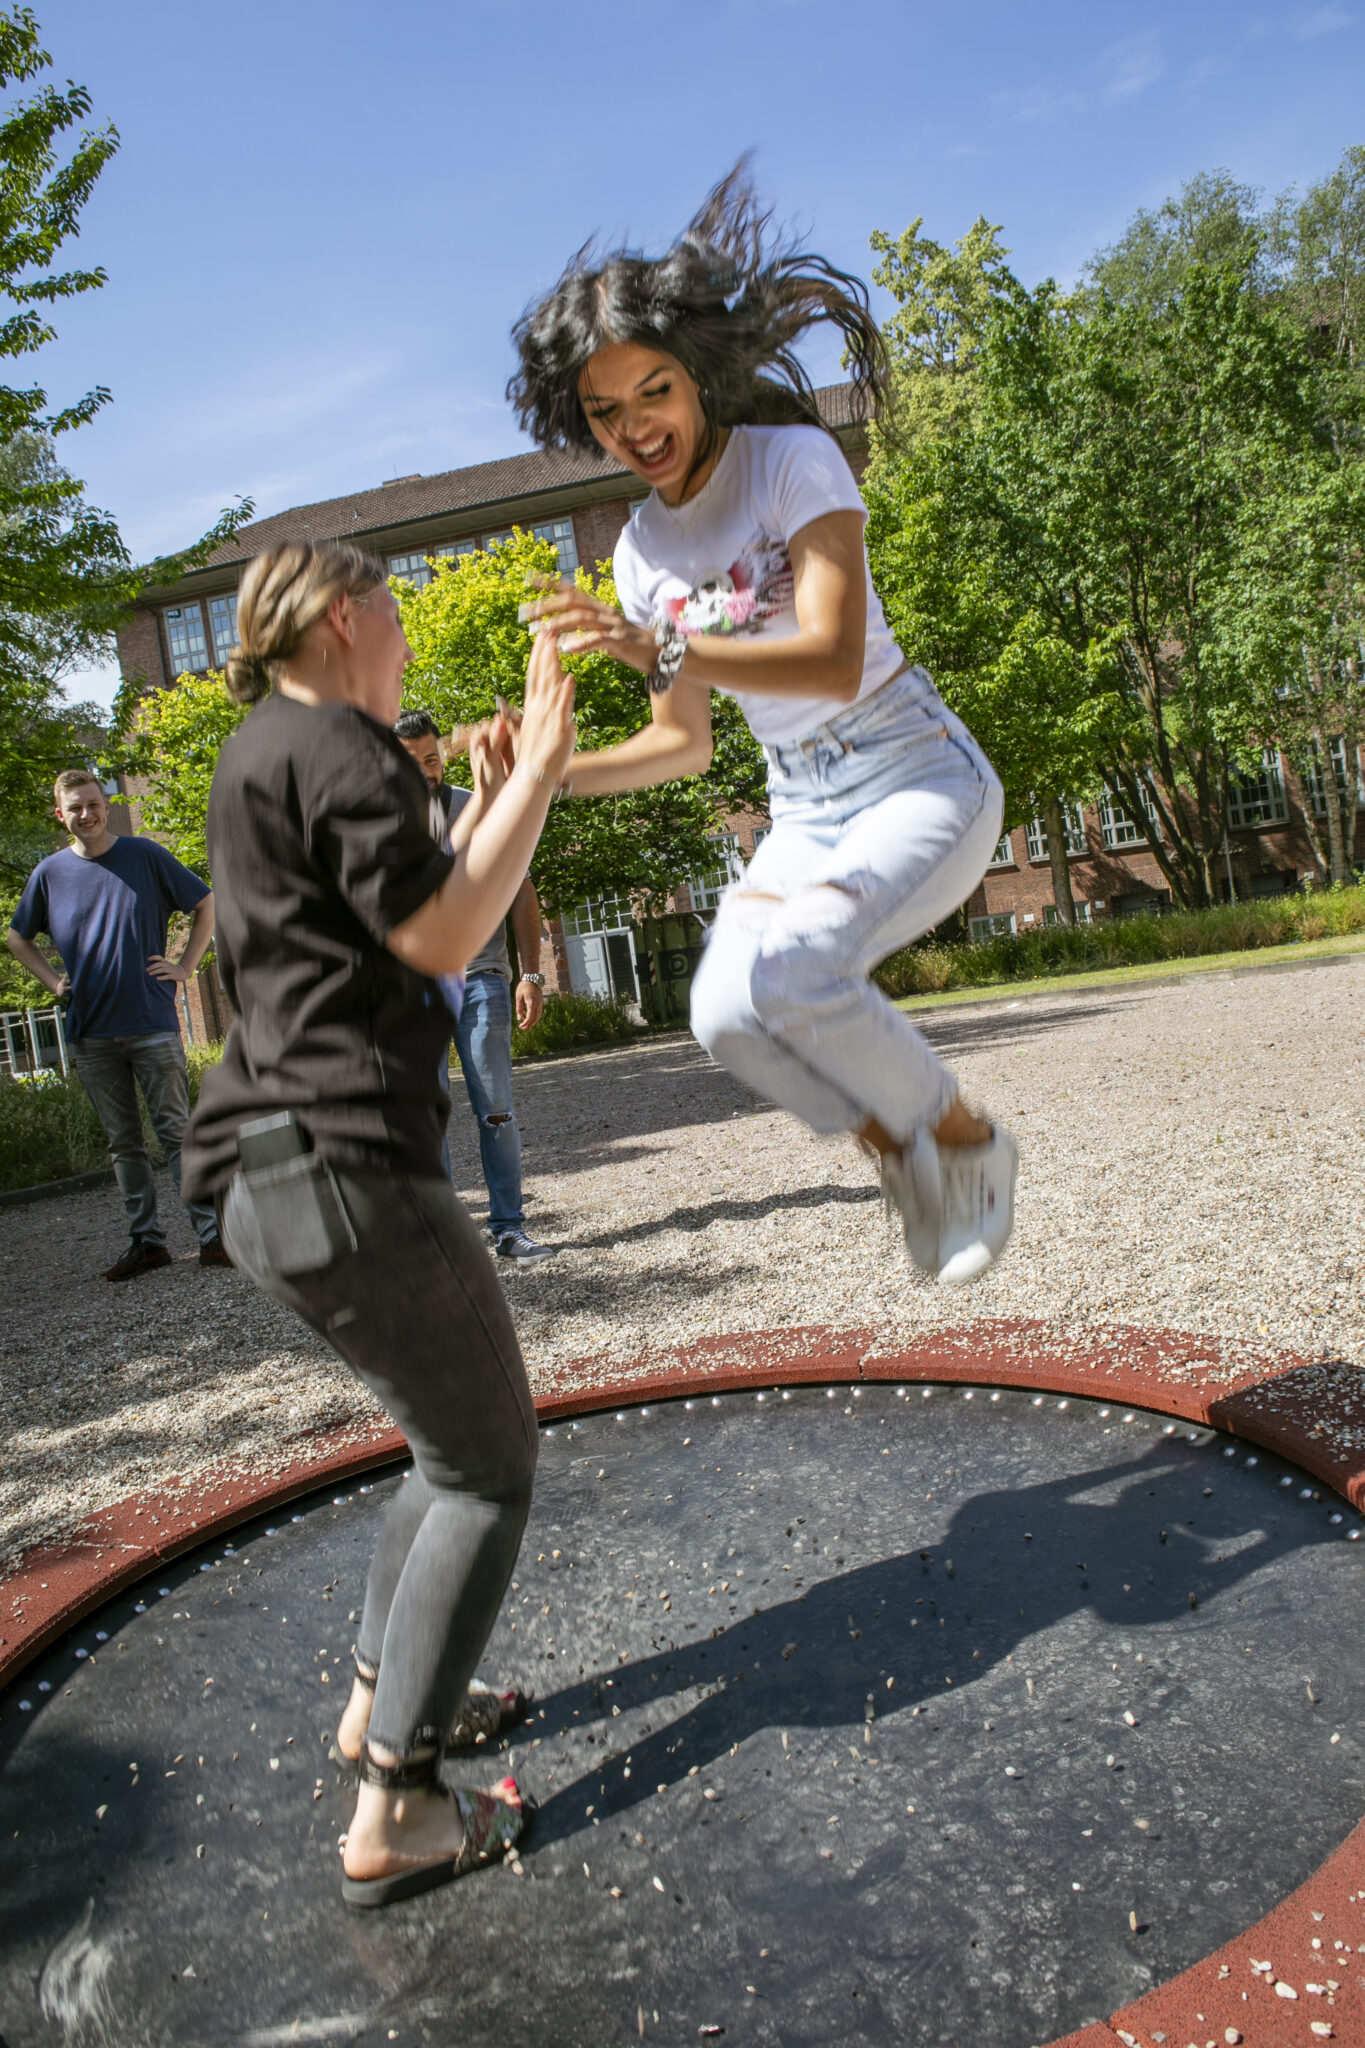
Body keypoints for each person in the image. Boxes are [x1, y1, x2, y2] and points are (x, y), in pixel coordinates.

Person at [506, 167, 1019, 1285]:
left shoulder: (792, 460)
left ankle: (967, 1139)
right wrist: (543, 774)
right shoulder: (640, 551)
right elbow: (681, 742)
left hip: (915, 769)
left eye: (653, 393)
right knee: (724, 1012)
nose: (636, 428)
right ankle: (895, 1144)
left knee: (788, 969)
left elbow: (833, 656)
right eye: (605, 412)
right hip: (802, 803)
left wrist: (669, 647)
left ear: (694, 373)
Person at [182, 540, 577, 1908]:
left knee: (439, 1443)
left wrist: (477, 806)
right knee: (487, 1463)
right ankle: (396, 1804)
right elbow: (445, 941)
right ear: (347, 618)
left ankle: (378, 1705)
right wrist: (541, 760)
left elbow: (408, 910)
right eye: (395, 614)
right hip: (346, 1167)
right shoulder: (342, 745)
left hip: (264, 1175)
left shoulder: (263, 754)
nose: (406, 638)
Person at [6, 769, 228, 1278]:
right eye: (75, 808)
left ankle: (213, 1237)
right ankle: (147, 1243)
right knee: (123, 1143)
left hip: (151, 1020)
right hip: (91, 1030)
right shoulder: (50, 874)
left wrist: (186, 966)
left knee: (176, 1131)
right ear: (60, 815)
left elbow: (206, 903)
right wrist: (53, 983)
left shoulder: (146, 856)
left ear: (106, 805)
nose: (87, 814)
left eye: (93, 803)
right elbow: (18, 939)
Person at [393, 709, 554, 1263]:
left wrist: (530, 974)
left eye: (433, 759)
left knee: (497, 1109)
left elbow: (520, 889)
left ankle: (509, 1227)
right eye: (411, 764)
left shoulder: (473, 803)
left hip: (483, 977)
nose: (425, 772)